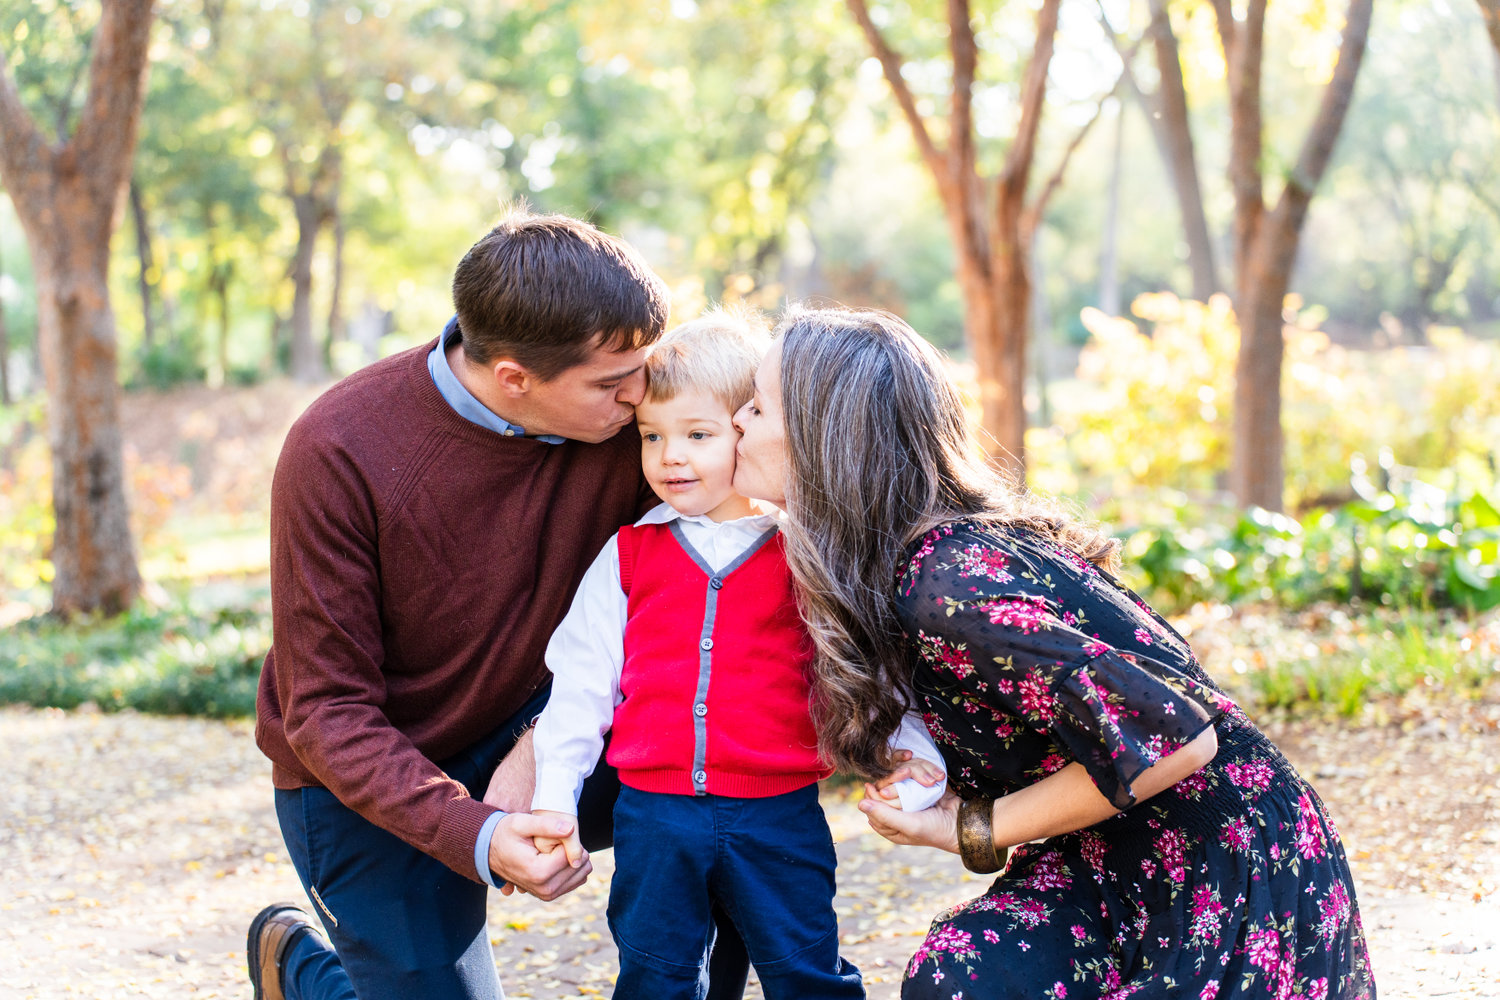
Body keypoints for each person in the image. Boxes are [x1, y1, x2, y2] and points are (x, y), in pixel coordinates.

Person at [729, 305, 1377, 1000]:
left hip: (1228, 865)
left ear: (826, 439)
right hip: (1109, 858)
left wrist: (968, 828)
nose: (737, 421)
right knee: (962, 977)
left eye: (759, 407)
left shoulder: (945, 583)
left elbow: (1176, 743)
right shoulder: (923, 561)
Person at [245, 211, 749, 1000]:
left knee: (725, 816)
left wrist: (540, 739)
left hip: (545, 714)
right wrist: (476, 831)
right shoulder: (339, 448)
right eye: (612, 384)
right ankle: (300, 969)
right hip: (366, 769)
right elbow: (326, 710)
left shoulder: (641, 422)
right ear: (515, 377)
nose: (640, 396)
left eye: (642, 367)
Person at [525, 312, 947, 999]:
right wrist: (554, 799)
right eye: (652, 436)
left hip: (777, 814)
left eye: (698, 435)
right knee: (655, 979)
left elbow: (868, 667)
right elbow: (579, 688)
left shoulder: (804, 554)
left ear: (746, 431)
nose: (670, 457)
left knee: (806, 974)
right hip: (654, 819)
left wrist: (919, 762)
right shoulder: (630, 555)